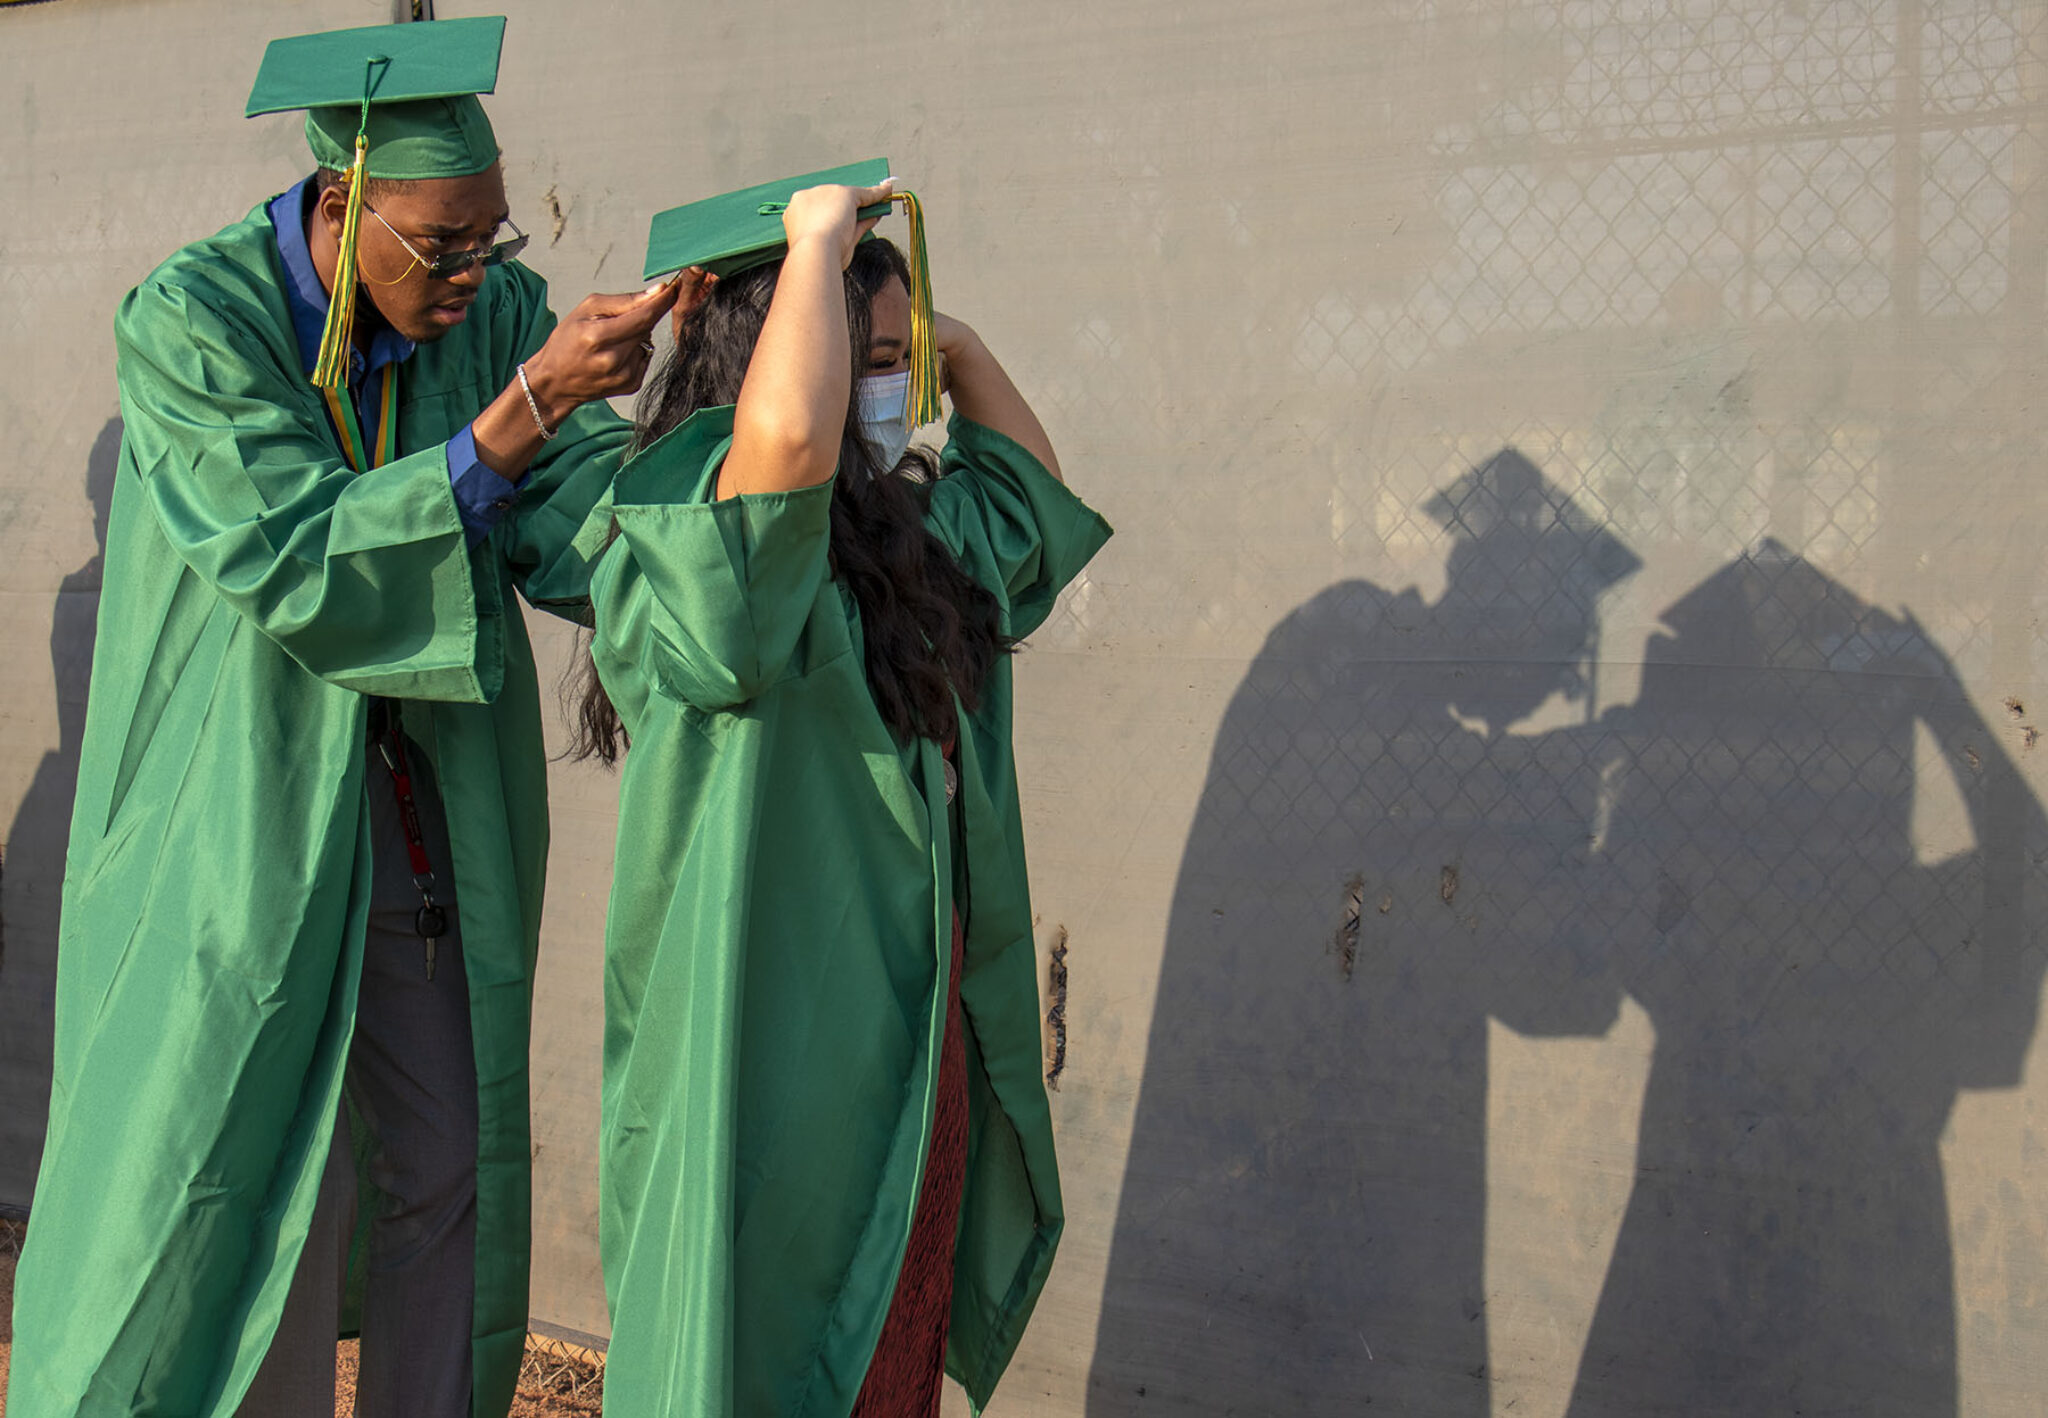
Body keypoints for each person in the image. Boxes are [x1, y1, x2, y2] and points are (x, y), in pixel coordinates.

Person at [6, 18, 676, 1418]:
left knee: (445, 1157)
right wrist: (524, 411)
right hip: (235, 811)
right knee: (262, 1166)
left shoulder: (485, 316)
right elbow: (296, 554)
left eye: (492, 239)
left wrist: (712, 505)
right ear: (339, 202)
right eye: (444, 242)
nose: (475, 272)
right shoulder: (191, 322)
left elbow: (579, 513)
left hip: (415, 807)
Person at [573, 165, 1112, 1417]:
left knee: (886, 1344)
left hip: (906, 1053)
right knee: (763, 1349)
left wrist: (943, 333)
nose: (891, 385)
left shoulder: (907, 547)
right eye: (864, 357)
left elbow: (1025, 495)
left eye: (896, 359)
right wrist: (815, 245)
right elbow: (783, 459)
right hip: (768, 1062)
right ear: (766, 356)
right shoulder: (700, 553)